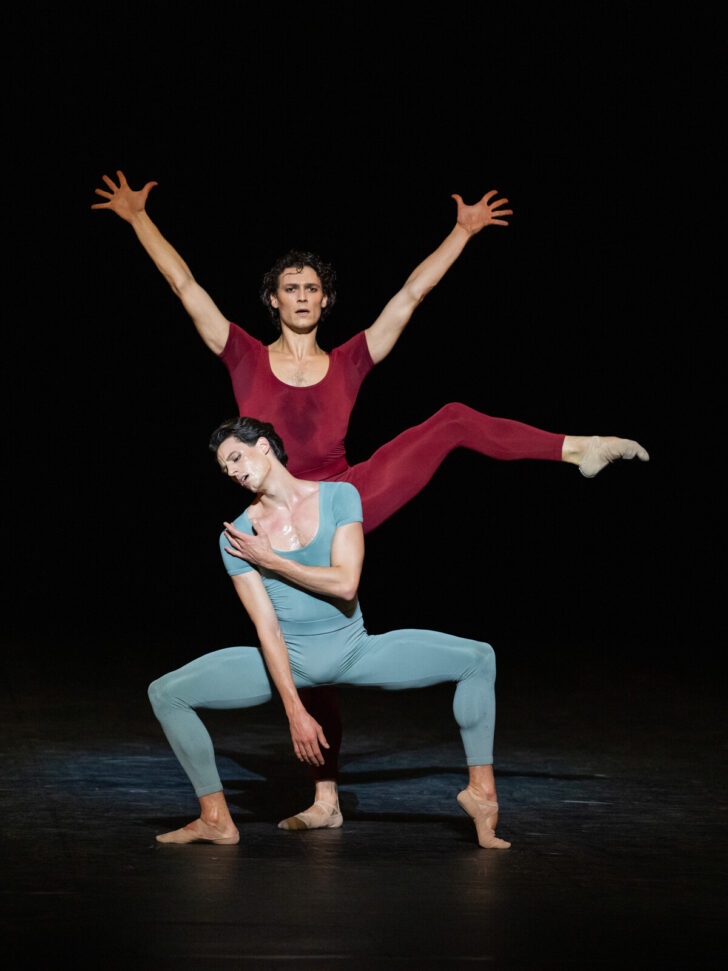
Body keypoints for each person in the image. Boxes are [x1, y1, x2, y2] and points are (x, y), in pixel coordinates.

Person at [93, 171, 649, 827]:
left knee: (450, 419)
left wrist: (462, 232)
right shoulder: (242, 354)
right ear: (273, 299)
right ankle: (325, 800)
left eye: (312, 288)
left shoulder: (353, 358)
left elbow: (411, 294)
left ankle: (573, 448)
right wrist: (136, 219)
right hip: (282, 516)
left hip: (345, 497)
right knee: (315, 654)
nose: (302, 295)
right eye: (291, 287)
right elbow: (187, 287)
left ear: (325, 301)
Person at [148, 416, 510, 850]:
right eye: (226, 469)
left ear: (264, 446)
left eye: (236, 457)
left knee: (477, 658)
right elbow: (268, 630)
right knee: (166, 693)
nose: (233, 472)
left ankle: (481, 793)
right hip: (289, 661)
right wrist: (295, 711)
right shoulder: (238, 536)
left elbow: (345, 583)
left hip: (355, 650)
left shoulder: (340, 496)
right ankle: (215, 818)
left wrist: (275, 561)